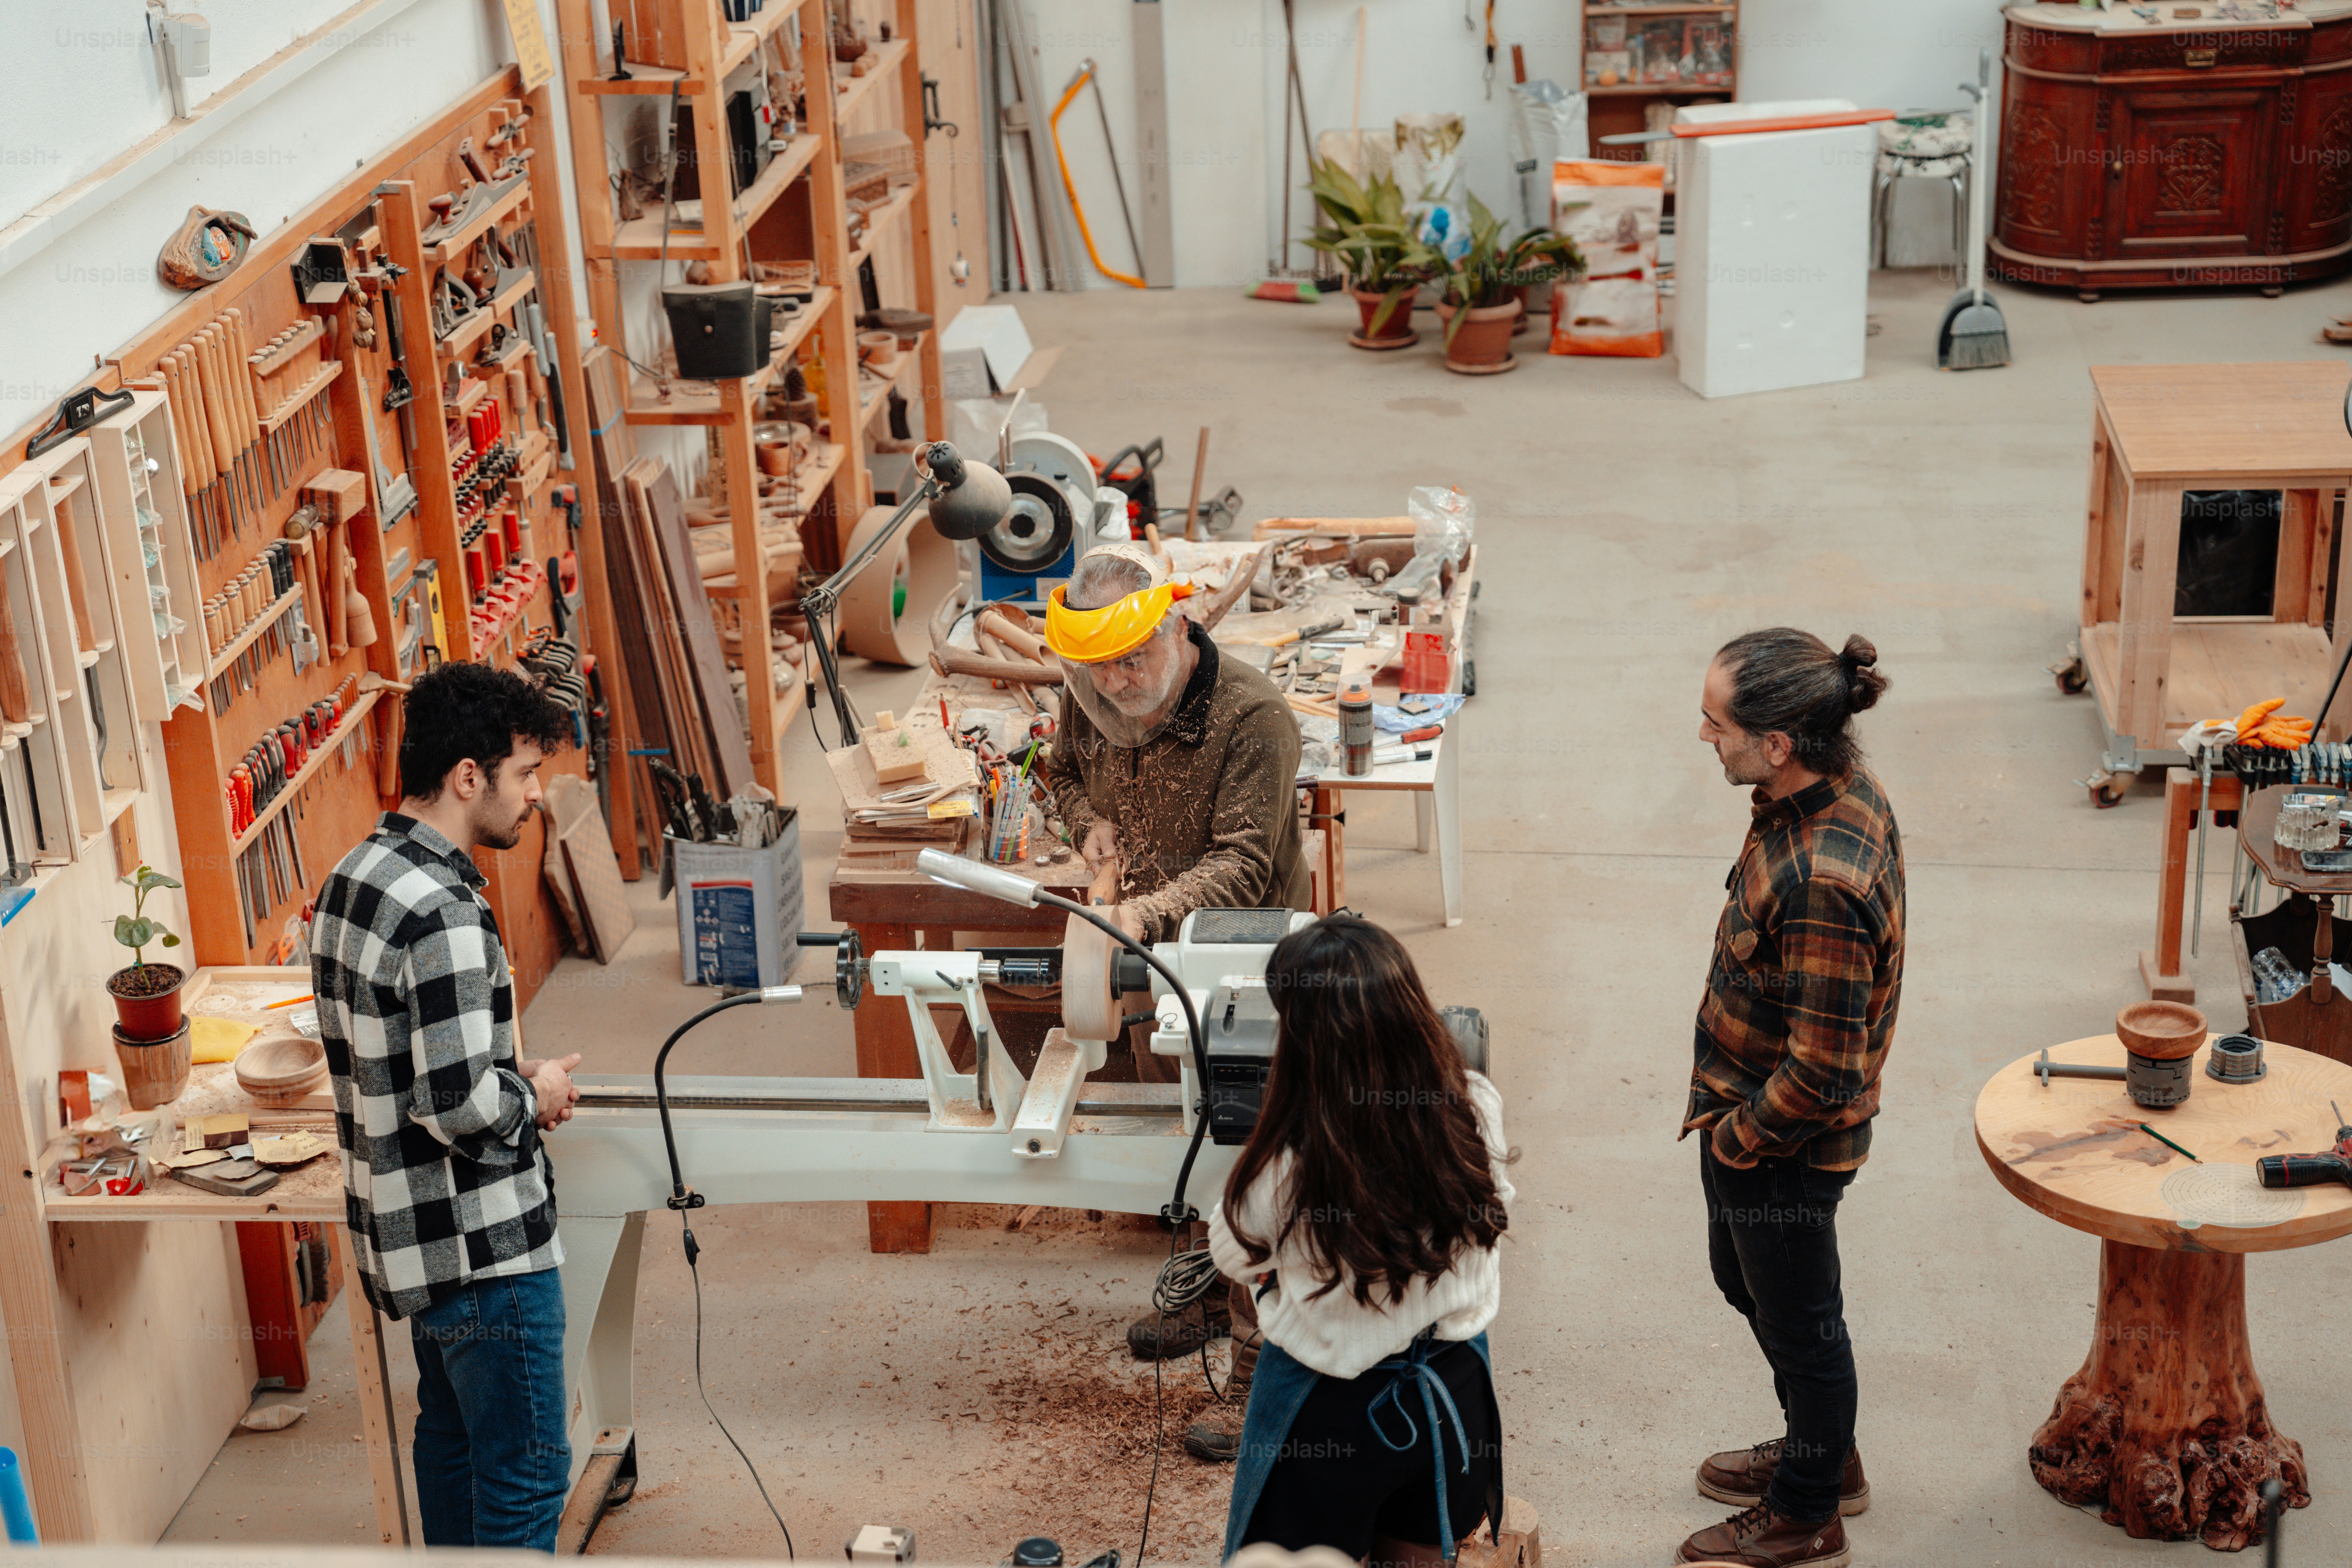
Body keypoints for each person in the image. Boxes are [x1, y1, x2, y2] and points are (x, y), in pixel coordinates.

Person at [311, 662, 582, 1551]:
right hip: (488, 1254)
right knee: (528, 1478)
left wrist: (496, 1063)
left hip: (416, 1254)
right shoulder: (447, 914)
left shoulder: (356, 877)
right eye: (525, 774)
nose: (538, 794)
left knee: (456, 1448)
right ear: (469, 777)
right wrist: (533, 1093)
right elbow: (459, 1104)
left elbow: (407, 1052)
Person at [1041, 545, 1311, 1374]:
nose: (1116, 684)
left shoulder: (1252, 719)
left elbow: (1243, 869)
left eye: (1133, 659)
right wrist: (1087, 821)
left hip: (1247, 966)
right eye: (1098, 668)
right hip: (1147, 965)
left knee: (1249, 1154)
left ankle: (1262, 1368)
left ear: (1179, 621)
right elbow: (1058, 775)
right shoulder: (1090, 686)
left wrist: (1137, 915)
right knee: (1180, 1138)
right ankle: (1201, 1288)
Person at [1678, 629, 1904, 1568]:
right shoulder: (1809, 792)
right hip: (1748, 1112)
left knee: (1805, 1331)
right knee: (1752, 1288)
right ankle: (1823, 1449)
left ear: (1778, 742)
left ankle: (1809, 1508)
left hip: (1783, 1143)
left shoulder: (1822, 878)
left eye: (1716, 722)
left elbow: (1824, 1072)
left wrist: (1738, 1141)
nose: (1702, 735)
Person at [1211, 916, 1514, 1565]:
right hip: (1447, 1406)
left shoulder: (1286, 1167)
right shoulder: (1477, 1109)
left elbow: (1232, 1252)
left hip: (1330, 1418)